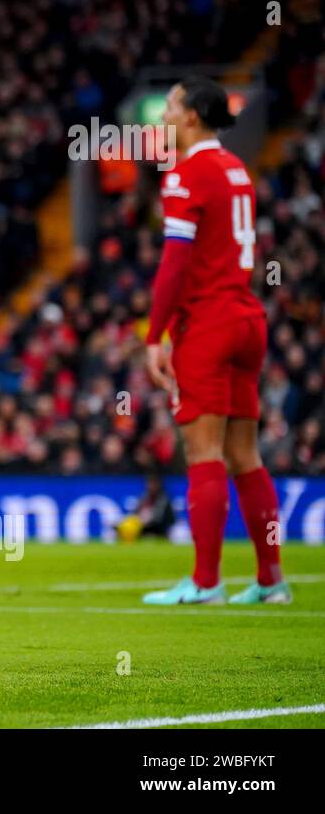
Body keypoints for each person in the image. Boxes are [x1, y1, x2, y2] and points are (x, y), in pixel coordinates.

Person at [142, 77, 289, 605]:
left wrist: (154, 334)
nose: (164, 113)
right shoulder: (236, 169)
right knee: (245, 455)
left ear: (193, 117)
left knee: (202, 451)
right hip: (248, 319)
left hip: (208, 323)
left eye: (173, 105)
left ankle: (205, 582)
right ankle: (271, 579)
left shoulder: (188, 173)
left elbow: (175, 263)